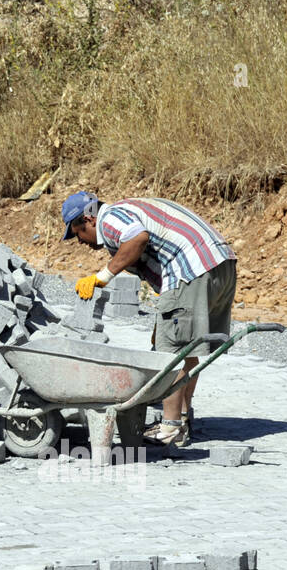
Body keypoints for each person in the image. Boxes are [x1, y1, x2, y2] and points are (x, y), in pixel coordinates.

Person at [61, 190, 237, 448]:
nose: (80, 242)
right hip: (219, 264)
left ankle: (170, 427)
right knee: (187, 349)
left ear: (87, 219)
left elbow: (137, 238)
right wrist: (163, 321)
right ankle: (182, 420)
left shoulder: (109, 218)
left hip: (191, 268)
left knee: (170, 354)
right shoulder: (128, 209)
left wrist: (103, 276)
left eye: (77, 233)